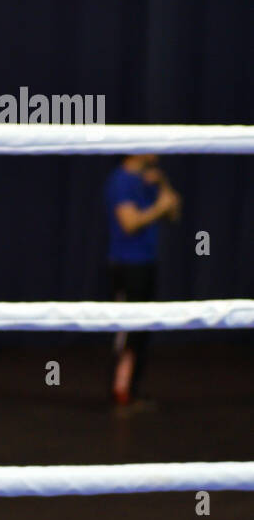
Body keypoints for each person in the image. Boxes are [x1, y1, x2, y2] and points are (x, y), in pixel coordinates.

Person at [104, 153, 181, 412]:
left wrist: (162, 184)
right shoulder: (122, 180)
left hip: (147, 263)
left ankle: (130, 390)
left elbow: (174, 212)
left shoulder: (151, 178)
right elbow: (129, 223)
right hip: (127, 265)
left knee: (141, 331)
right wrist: (160, 206)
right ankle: (120, 390)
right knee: (128, 330)